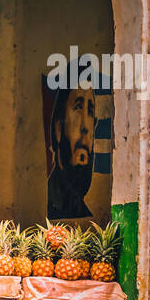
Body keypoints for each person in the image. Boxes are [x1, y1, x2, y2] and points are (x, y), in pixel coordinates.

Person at [47, 78, 96, 218]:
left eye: (90, 111)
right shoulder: (50, 202)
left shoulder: (81, 210)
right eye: (78, 107)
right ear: (58, 127)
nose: (85, 127)